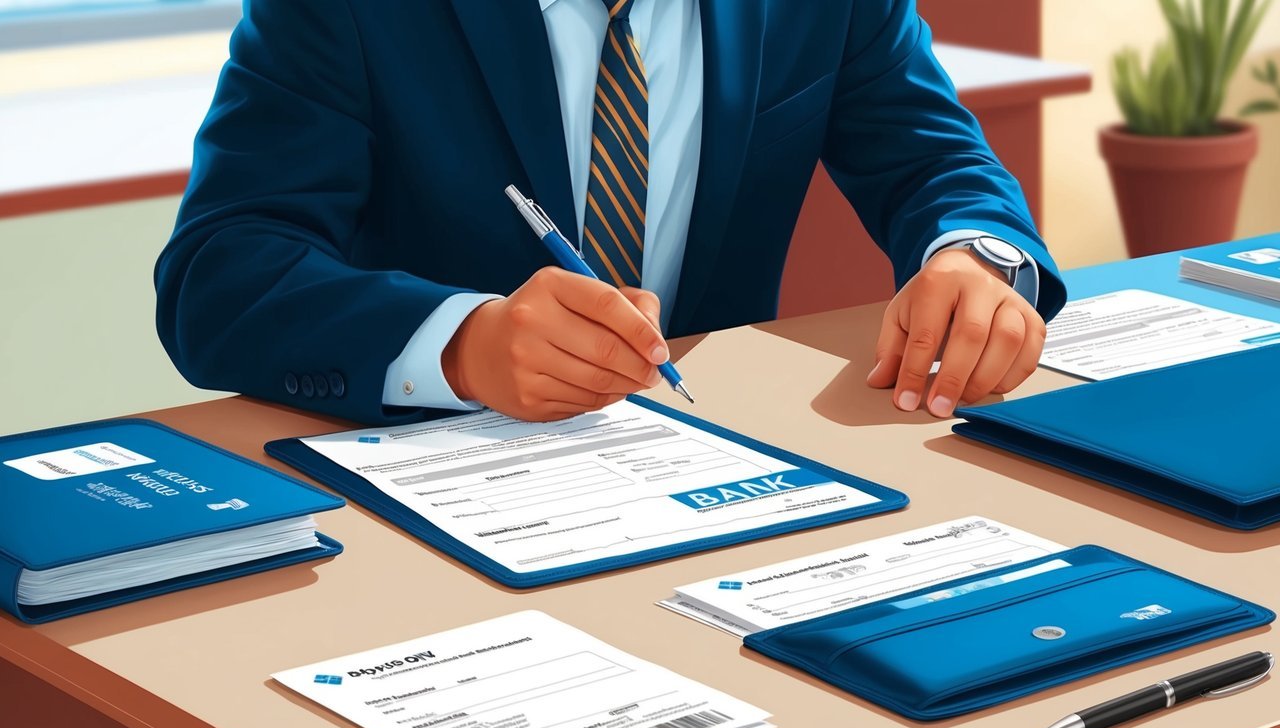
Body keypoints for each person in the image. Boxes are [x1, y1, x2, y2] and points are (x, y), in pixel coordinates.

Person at [155, 0, 1066, 427]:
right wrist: (462, 344)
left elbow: (935, 157)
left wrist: (974, 260)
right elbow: (222, 272)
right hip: (434, 472)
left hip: (710, 462)